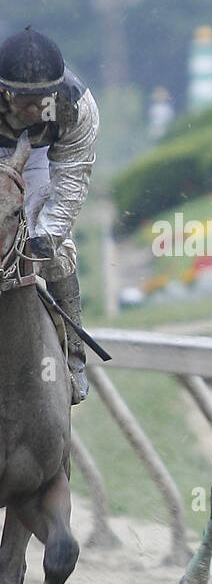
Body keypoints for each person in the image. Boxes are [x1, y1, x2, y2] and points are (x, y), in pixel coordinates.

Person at [0, 27, 99, 403]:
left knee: (54, 249)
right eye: (24, 100)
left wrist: (45, 240)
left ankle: (73, 357)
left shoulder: (77, 108)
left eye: (41, 99)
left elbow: (70, 184)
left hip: (43, 155)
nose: (33, 108)